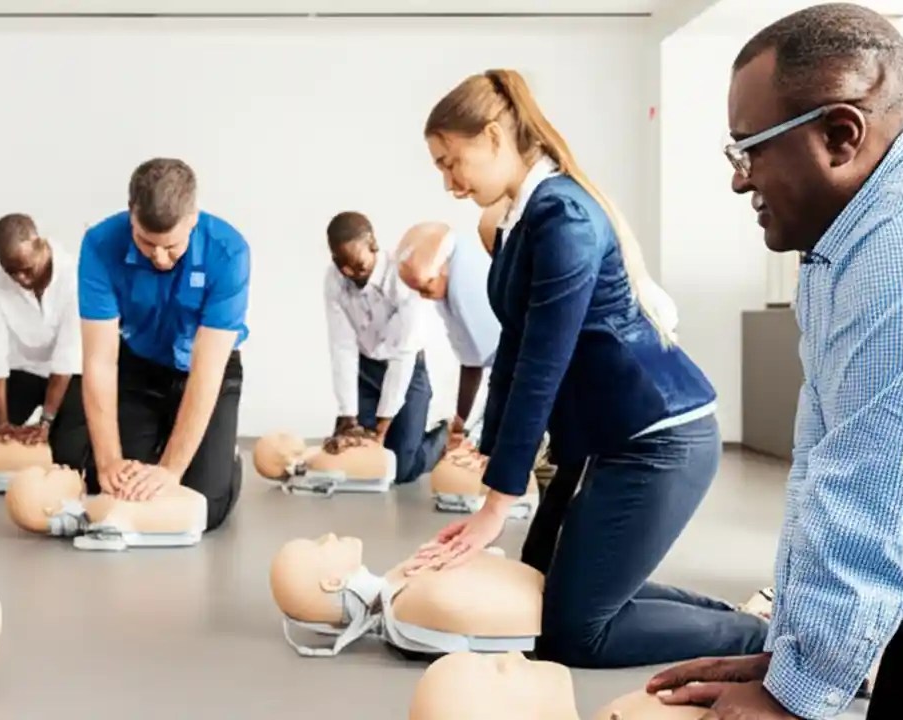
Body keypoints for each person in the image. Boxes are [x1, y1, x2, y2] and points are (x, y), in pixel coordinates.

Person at [649, 6, 903, 719]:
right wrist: (791, 655)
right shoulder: (850, 235)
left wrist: (794, 697)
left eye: (747, 149)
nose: (738, 179)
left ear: (840, 135)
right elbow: (826, 464)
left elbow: (871, 485)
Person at [406, 68, 768, 668]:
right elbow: (514, 353)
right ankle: (748, 620)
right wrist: (491, 460)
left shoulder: (563, 218)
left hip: (661, 438)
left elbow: (542, 366)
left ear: (494, 136)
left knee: (574, 634)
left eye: (452, 161)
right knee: (544, 590)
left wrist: (498, 504)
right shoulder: (520, 220)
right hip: (607, 437)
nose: (448, 182)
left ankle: (766, 640)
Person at [76, 158, 249, 532]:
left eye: (170, 246)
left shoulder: (229, 252)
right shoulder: (99, 245)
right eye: (145, 242)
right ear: (131, 215)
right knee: (107, 488)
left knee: (205, 504)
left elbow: (207, 370)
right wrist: (110, 462)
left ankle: (224, 456)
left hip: (205, 369)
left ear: (192, 220)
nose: (158, 256)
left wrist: (170, 470)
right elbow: (100, 362)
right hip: (139, 364)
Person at [323, 211, 448, 485]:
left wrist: (382, 426)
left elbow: (402, 357)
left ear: (374, 247)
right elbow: (342, 347)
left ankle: (442, 439)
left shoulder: (403, 277)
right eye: (340, 263)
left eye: (358, 266)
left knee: (400, 470)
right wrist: (348, 416)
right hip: (367, 370)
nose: (348, 272)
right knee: (355, 461)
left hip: (407, 368)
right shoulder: (335, 279)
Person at [0, 213, 88, 469]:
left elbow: (67, 354)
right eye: (11, 272)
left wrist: (45, 422)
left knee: (66, 458)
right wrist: (0, 424)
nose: (20, 279)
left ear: (41, 246)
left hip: (69, 376)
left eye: (27, 269)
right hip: (24, 370)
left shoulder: (73, 276)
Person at [396, 222, 499, 449]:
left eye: (425, 287)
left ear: (443, 269)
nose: (424, 296)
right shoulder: (448, 280)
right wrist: (460, 421)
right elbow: (471, 361)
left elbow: (500, 369)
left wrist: (476, 435)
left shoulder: (468, 288)